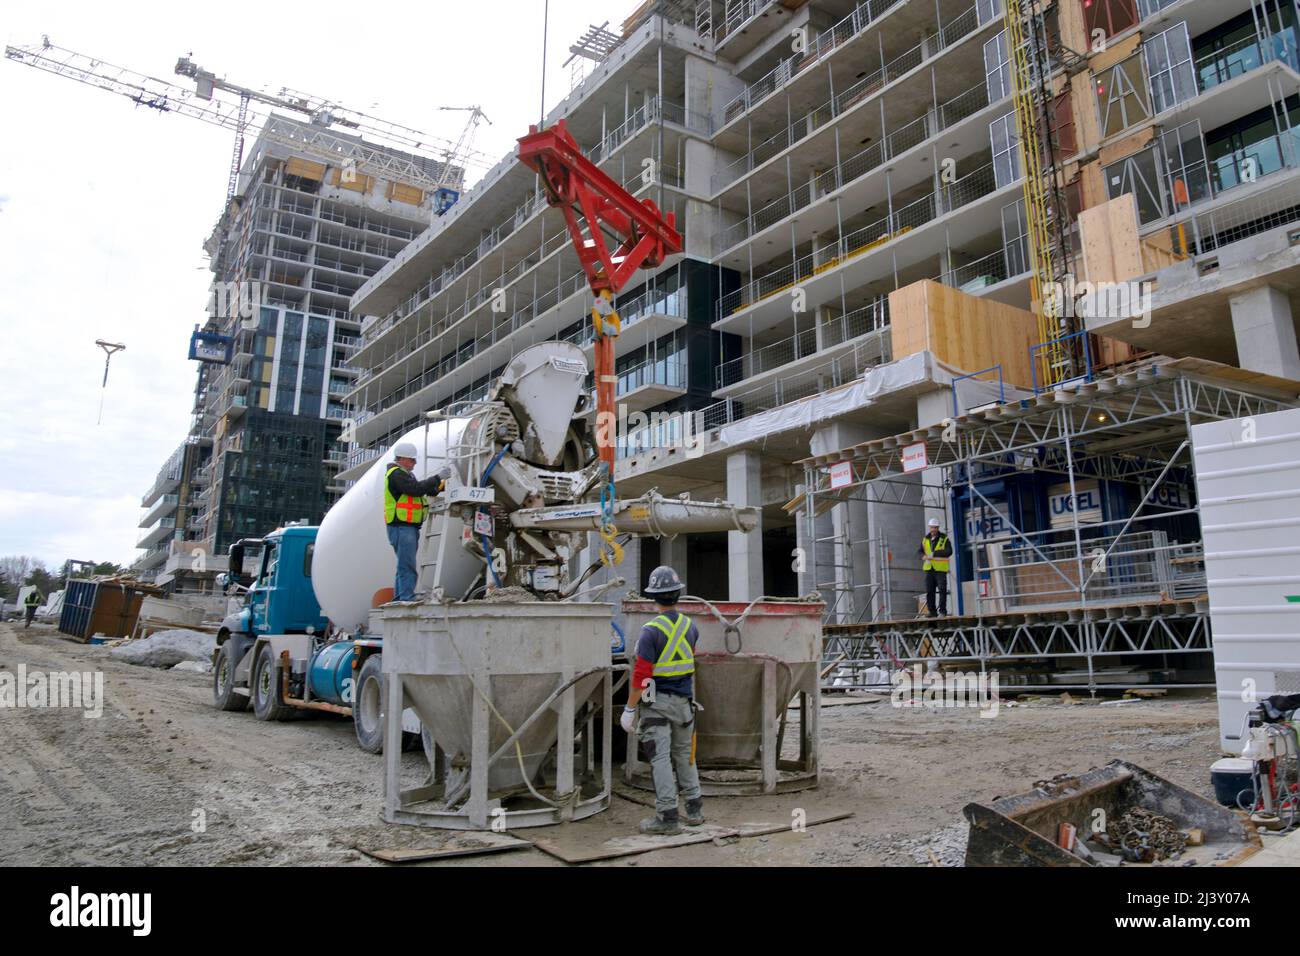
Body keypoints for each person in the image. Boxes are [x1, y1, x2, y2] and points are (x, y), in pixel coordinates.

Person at [622, 565, 703, 836]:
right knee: (685, 756)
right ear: (678, 594)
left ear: (653, 596)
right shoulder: (690, 627)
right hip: (684, 705)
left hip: (656, 703)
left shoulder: (650, 631)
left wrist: (629, 709)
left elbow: (642, 678)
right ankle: (694, 809)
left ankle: (668, 816)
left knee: (660, 759)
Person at [384, 442, 450, 602]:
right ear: (402, 459)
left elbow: (424, 489)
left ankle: (400, 597)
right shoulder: (396, 474)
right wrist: (437, 477)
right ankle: (406, 597)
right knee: (407, 564)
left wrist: (440, 484)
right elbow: (416, 489)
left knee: (403, 564)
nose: (414, 463)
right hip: (401, 526)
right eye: (412, 460)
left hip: (406, 526)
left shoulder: (405, 475)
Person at [918, 518, 953, 618]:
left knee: (942, 590)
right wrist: (922, 556)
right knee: (930, 591)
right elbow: (920, 551)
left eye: (935, 527)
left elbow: (949, 551)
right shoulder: (925, 539)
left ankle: (942, 611)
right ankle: (932, 612)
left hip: (940, 569)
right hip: (929, 569)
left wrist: (934, 554)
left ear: (938, 528)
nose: (933, 529)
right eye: (932, 527)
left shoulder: (944, 538)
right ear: (929, 528)